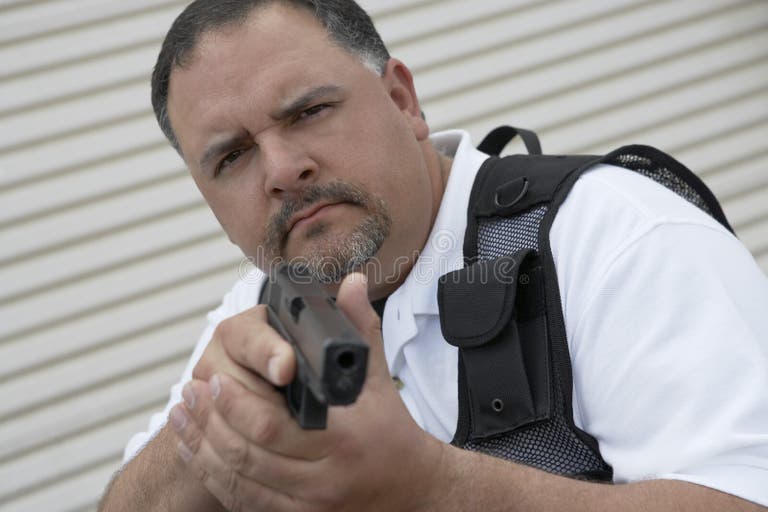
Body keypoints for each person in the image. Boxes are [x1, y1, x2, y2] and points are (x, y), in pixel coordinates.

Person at [98, 0, 768, 510]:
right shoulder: (257, 309)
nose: (280, 168)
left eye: (307, 112)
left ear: (401, 99)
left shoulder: (613, 235)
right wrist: (198, 433)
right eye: (232, 156)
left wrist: (432, 486)